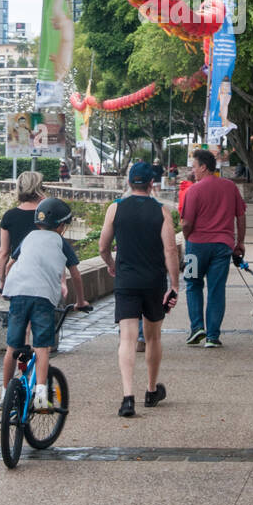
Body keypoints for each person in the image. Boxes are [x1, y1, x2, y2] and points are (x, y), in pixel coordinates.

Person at [99, 162, 180, 416]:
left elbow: (103, 247)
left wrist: (112, 265)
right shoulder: (162, 212)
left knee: (127, 338)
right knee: (154, 337)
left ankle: (127, 397)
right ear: (151, 184)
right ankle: (151, 389)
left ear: (129, 183)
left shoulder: (116, 209)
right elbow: (170, 250)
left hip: (126, 281)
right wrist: (175, 285)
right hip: (154, 281)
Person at [2, 197, 71, 412]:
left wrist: (6, 282)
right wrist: (81, 300)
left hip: (17, 293)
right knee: (42, 348)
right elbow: (75, 273)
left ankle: (5, 394)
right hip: (42, 298)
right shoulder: (60, 241)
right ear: (61, 226)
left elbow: (10, 262)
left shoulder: (29, 237)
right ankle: (41, 396)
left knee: (12, 347)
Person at [182, 148, 246, 347]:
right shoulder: (230, 187)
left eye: (194, 167)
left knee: (192, 284)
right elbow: (241, 216)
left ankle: (197, 327)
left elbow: (186, 223)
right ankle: (212, 336)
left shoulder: (193, 190)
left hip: (195, 247)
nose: (193, 171)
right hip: (222, 246)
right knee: (217, 289)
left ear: (203, 167)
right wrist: (240, 242)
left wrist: (187, 239)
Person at [0, 170, 90, 311]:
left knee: (22, 324)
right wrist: (62, 281)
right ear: (39, 189)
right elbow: (58, 252)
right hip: (47, 281)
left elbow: (4, 253)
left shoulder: (9, 216)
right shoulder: (48, 216)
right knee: (45, 324)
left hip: (21, 280)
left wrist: (3, 282)